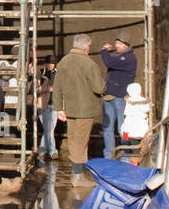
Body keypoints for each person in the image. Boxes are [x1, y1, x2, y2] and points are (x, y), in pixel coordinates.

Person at [53, 33, 105, 179]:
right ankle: (78, 174)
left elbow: (57, 88)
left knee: (74, 139)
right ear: (87, 47)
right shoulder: (89, 64)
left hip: (69, 108)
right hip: (86, 109)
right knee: (81, 141)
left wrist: (58, 108)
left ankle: (77, 171)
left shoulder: (63, 62)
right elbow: (99, 88)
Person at [100, 32, 137, 159]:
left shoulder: (128, 58)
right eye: (116, 43)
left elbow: (109, 63)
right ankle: (108, 154)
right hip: (109, 97)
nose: (117, 46)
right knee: (107, 127)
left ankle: (126, 155)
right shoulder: (118, 55)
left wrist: (104, 51)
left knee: (123, 128)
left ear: (126, 45)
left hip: (120, 98)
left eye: (119, 44)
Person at [34, 54, 58, 158]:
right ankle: (53, 151)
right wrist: (47, 89)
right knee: (49, 129)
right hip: (43, 105)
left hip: (55, 104)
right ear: (45, 64)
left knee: (49, 129)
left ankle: (42, 150)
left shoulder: (58, 74)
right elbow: (35, 90)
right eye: (48, 63)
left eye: (52, 63)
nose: (50, 65)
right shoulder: (40, 74)